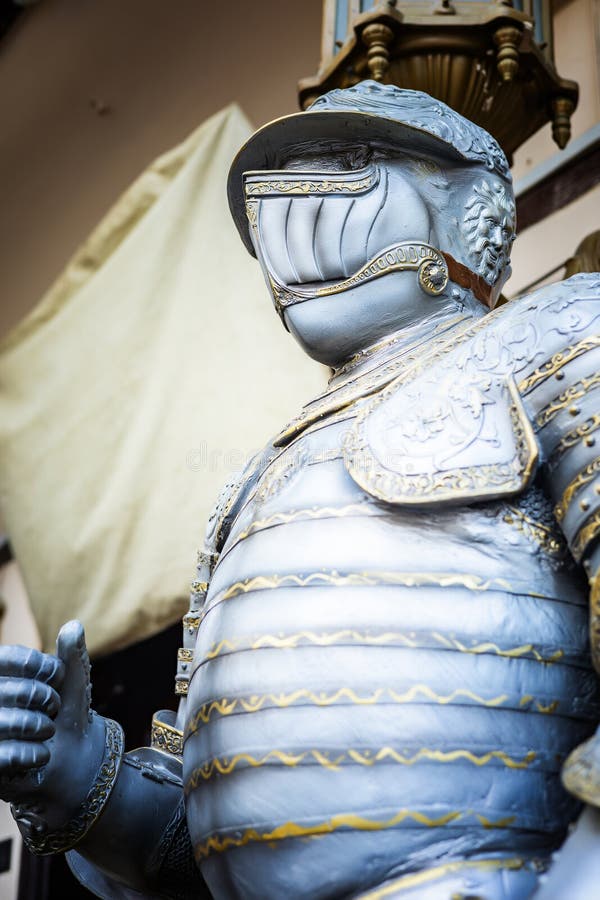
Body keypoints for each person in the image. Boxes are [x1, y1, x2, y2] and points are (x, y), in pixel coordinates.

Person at [1, 81, 599, 900]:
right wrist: (78, 782)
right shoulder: (258, 478)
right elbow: (201, 828)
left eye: (350, 163)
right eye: (279, 179)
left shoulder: (561, 334)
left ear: (467, 204)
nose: (294, 208)